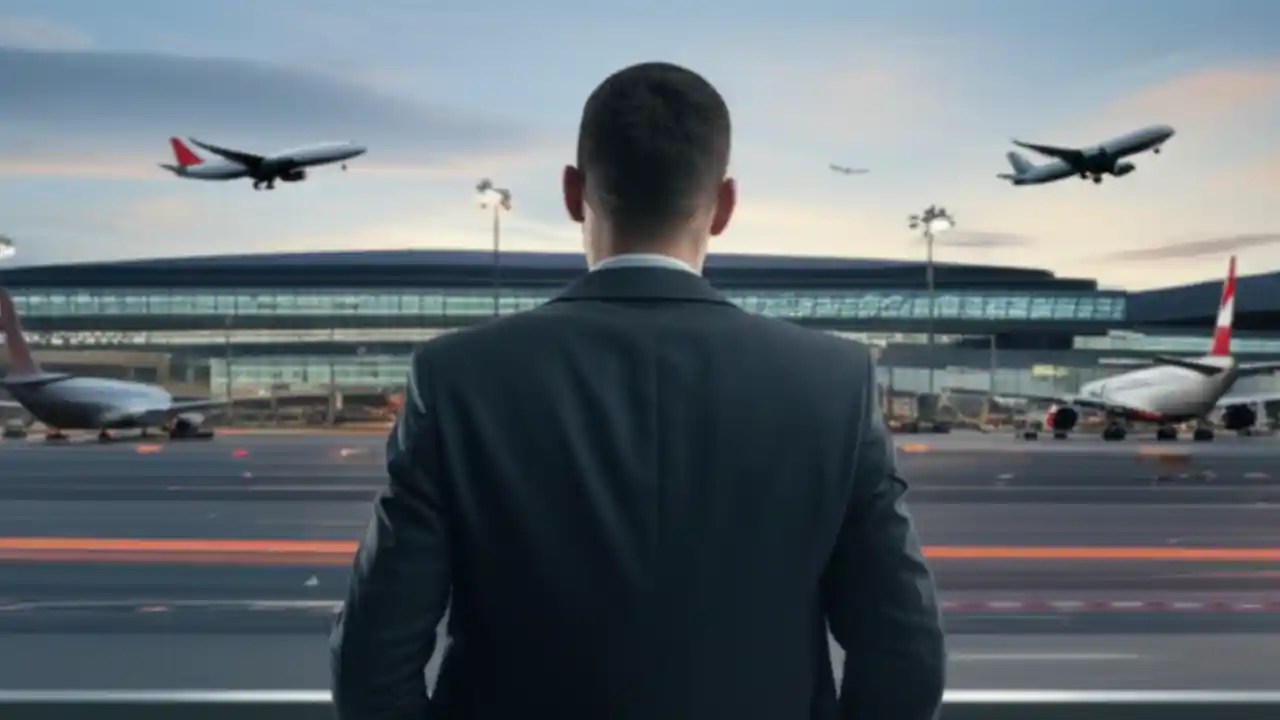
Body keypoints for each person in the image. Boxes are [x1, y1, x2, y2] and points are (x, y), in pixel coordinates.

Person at [330, 61, 945, 720]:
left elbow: (373, 664)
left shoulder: (457, 379)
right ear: (725, 205)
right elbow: (904, 654)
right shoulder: (834, 383)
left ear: (573, 194)